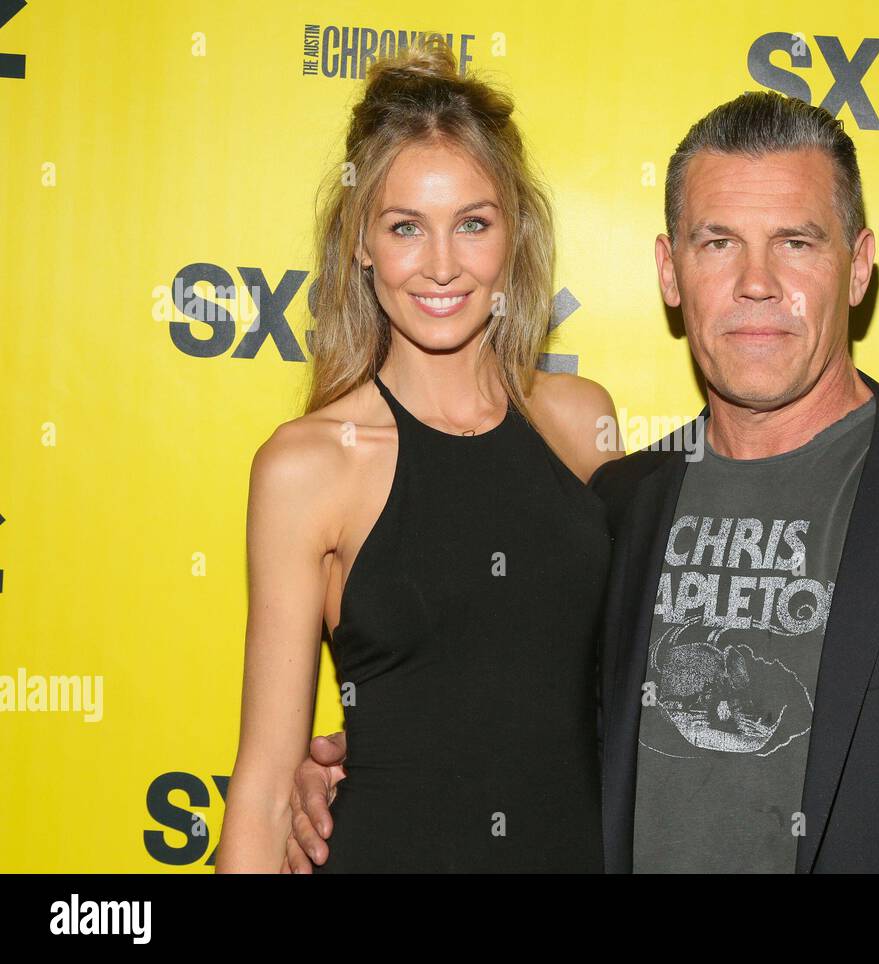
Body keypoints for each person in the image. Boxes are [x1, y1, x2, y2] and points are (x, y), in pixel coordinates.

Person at [287, 90, 879, 874]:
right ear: (670, 272)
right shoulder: (611, 503)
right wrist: (368, 770)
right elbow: (506, 694)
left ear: (859, 267)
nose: (757, 283)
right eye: (718, 243)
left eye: (797, 242)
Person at [216, 41, 622, 873]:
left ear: (513, 235)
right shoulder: (307, 466)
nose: (442, 265)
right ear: (361, 243)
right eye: (406, 227)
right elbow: (261, 788)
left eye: (473, 223)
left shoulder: (586, 425)